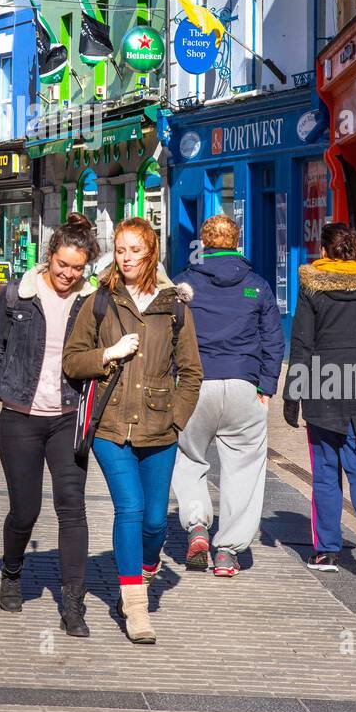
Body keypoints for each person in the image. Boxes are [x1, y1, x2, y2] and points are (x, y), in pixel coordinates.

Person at [63, 217, 203, 645]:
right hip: (109, 425)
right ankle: (136, 607)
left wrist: (176, 418)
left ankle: (146, 564)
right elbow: (73, 360)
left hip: (160, 428)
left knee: (156, 522)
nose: (125, 258)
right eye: (120, 250)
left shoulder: (174, 304)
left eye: (134, 251)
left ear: (151, 253)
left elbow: (192, 372)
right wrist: (107, 354)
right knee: (131, 508)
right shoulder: (100, 301)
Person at [0, 218, 99, 637]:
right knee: (25, 510)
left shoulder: (92, 301)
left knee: (72, 506)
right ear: (49, 257)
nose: (68, 275)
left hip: (68, 416)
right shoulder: (17, 295)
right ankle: (11, 572)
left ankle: (73, 604)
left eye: (77, 268)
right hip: (20, 415)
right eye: (63, 265)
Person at [170, 215, 285, 578]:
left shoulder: (183, 283)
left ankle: (197, 523)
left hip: (194, 386)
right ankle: (228, 551)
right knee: (244, 469)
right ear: (237, 242)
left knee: (188, 457)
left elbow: (166, 336)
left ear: (202, 244)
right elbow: (273, 341)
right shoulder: (257, 285)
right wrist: (266, 386)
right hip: (243, 385)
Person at [285, 222, 356, 586]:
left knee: (326, 473)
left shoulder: (313, 289)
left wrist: (291, 395)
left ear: (325, 250)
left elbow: (301, 344)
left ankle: (327, 550)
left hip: (323, 390)